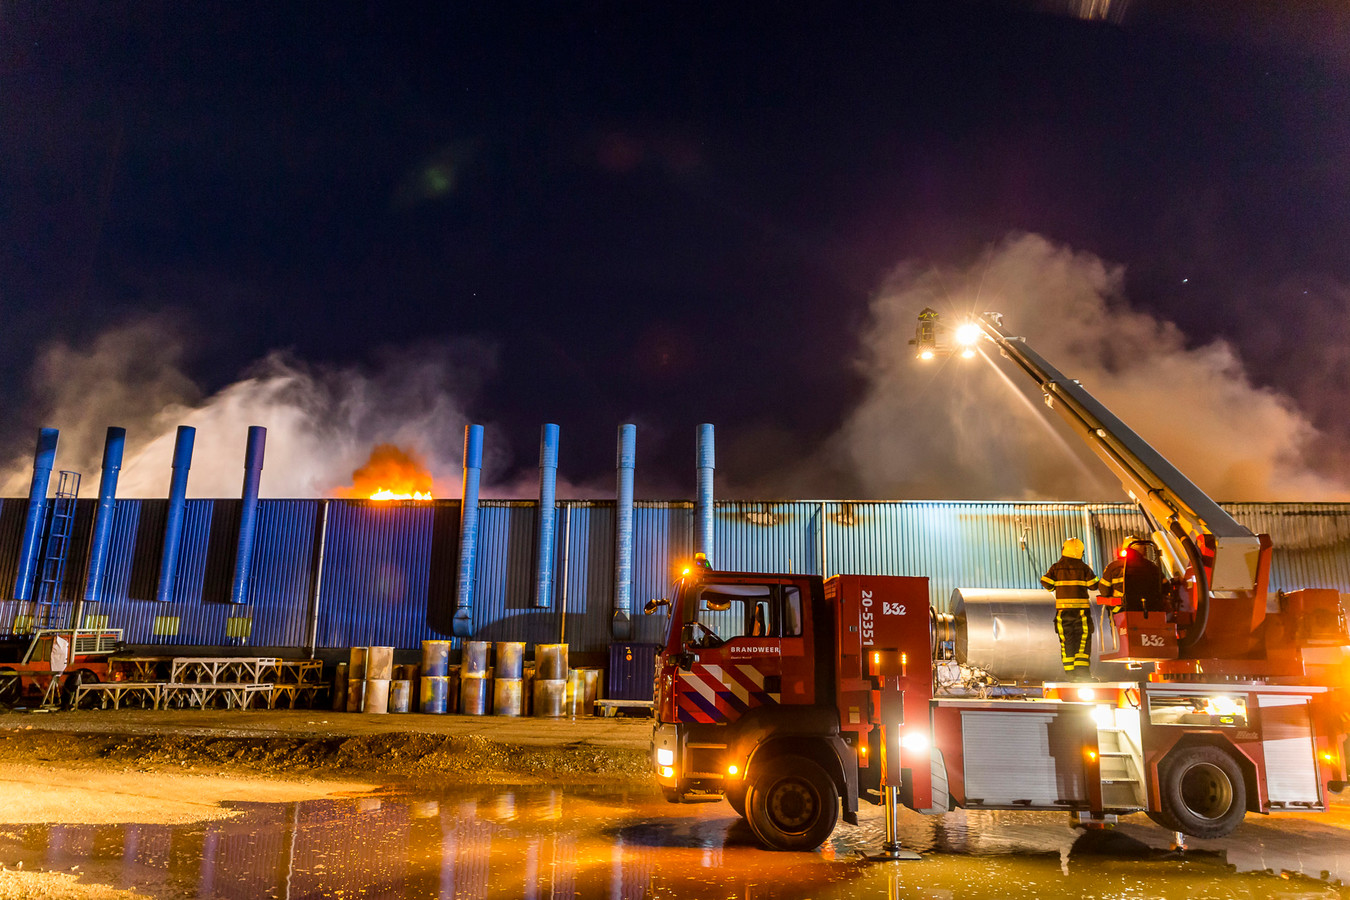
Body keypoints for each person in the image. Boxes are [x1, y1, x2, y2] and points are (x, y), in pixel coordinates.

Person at [1041, 537, 1099, 681]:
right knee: (1083, 640)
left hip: (1063, 612)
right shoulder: (1084, 568)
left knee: (1067, 641)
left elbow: (1046, 582)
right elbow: (1094, 585)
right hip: (1081, 613)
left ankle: (1071, 673)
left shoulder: (1056, 567)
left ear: (1064, 549)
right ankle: (1083, 673)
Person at [1098, 536, 1166, 614]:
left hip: (1122, 610)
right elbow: (1165, 587)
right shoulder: (1152, 567)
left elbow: (1104, 591)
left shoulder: (1113, 567)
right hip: (1149, 610)